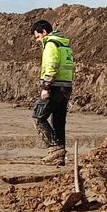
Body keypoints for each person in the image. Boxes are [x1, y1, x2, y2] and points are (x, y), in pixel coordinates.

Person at [31, 20, 75, 166]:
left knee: (39, 117)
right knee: (58, 122)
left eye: (38, 37)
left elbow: (51, 65)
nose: (37, 40)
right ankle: (59, 157)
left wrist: (46, 87)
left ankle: (55, 148)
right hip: (66, 86)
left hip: (55, 86)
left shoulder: (51, 44)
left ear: (44, 32)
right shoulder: (64, 44)